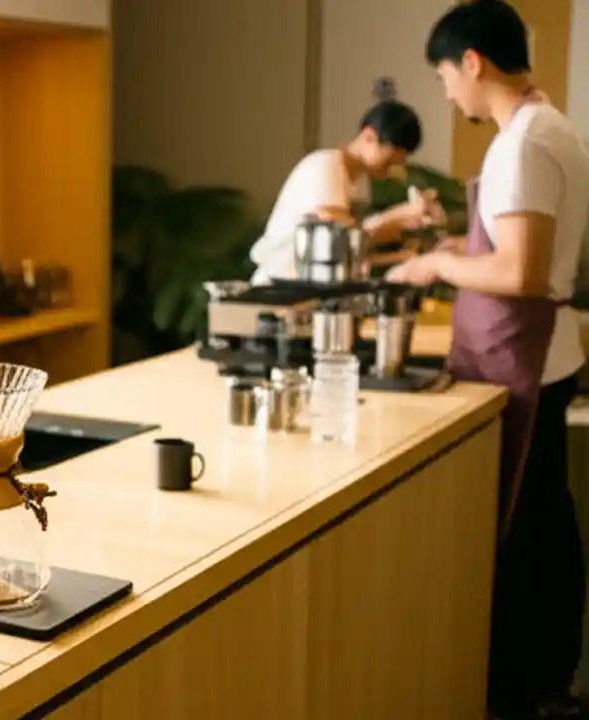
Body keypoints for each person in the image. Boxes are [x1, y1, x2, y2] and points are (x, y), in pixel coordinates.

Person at [387, 2, 589, 717]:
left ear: (472, 61)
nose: (447, 92)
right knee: (544, 524)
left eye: (445, 74)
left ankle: (522, 691)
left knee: (524, 535)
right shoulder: (548, 126)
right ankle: (546, 684)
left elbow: (521, 272)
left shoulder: (525, 143)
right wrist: (456, 249)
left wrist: (433, 265)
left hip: (523, 358)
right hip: (541, 357)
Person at [248, 100, 442, 284]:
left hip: (308, 289)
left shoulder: (358, 182)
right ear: (369, 136)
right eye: (390, 160)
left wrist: (404, 239)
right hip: (278, 287)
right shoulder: (326, 166)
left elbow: (355, 248)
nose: (396, 167)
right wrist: (395, 216)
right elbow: (339, 236)